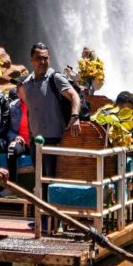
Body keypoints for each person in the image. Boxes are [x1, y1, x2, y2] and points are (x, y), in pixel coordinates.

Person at [20, 43, 80, 176]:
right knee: (39, 180)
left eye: (45, 58)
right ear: (31, 60)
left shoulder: (56, 78)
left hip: (54, 139)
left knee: (52, 179)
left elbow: (74, 95)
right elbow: (30, 109)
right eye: (38, 58)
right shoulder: (26, 83)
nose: (42, 62)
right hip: (36, 140)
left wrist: (75, 117)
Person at [6, 73, 33, 182]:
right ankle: (12, 185)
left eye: (19, 85)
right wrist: (14, 137)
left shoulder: (39, 105)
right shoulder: (13, 106)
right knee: (12, 149)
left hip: (36, 141)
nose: (16, 88)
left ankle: (40, 188)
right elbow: (7, 128)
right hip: (21, 141)